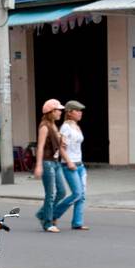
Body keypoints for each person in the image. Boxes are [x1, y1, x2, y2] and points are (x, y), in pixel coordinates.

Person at [34, 99, 73, 232]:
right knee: (50, 194)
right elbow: (40, 146)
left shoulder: (54, 125)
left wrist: (62, 144)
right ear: (51, 112)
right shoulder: (44, 126)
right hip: (47, 163)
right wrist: (38, 165)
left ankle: (42, 214)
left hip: (55, 163)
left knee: (61, 192)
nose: (60, 112)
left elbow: (58, 146)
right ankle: (48, 223)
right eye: (58, 110)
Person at [60, 99, 88, 231]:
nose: (80, 113)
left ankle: (77, 222)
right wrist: (69, 162)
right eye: (77, 111)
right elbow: (61, 147)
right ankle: (53, 214)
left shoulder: (77, 126)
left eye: (81, 111)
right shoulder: (65, 127)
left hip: (80, 165)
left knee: (81, 196)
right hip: (69, 165)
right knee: (76, 193)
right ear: (70, 112)